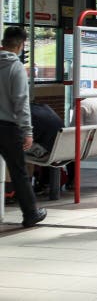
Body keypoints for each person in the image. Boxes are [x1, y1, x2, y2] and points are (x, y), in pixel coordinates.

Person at [0, 26, 47, 227]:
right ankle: (30, 214)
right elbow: (21, 101)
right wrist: (27, 131)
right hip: (9, 128)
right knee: (18, 171)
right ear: (20, 45)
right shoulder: (15, 67)